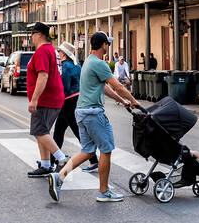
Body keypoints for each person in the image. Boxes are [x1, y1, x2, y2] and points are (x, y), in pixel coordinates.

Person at [49, 32, 143, 204]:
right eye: (107, 44)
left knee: (88, 151)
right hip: (93, 113)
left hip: (81, 112)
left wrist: (122, 101)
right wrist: (134, 101)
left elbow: (105, 88)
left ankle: (59, 176)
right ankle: (104, 191)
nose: (108, 46)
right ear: (103, 45)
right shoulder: (99, 64)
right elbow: (119, 85)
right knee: (106, 150)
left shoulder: (88, 62)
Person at [25, 22, 67, 177]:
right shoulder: (51, 50)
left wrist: (34, 99)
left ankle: (61, 158)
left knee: (39, 131)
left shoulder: (42, 51)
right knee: (42, 131)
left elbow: (43, 75)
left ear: (39, 35)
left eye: (33, 33)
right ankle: (45, 165)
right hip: (53, 97)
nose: (31, 37)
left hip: (46, 98)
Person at [53, 45, 98, 172]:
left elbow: (65, 86)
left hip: (68, 102)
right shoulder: (77, 64)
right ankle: (52, 160)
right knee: (59, 131)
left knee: (77, 132)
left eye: (59, 51)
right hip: (76, 99)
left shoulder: (66, 66)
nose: (58, 52)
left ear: (64, 54)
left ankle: (93, 160)